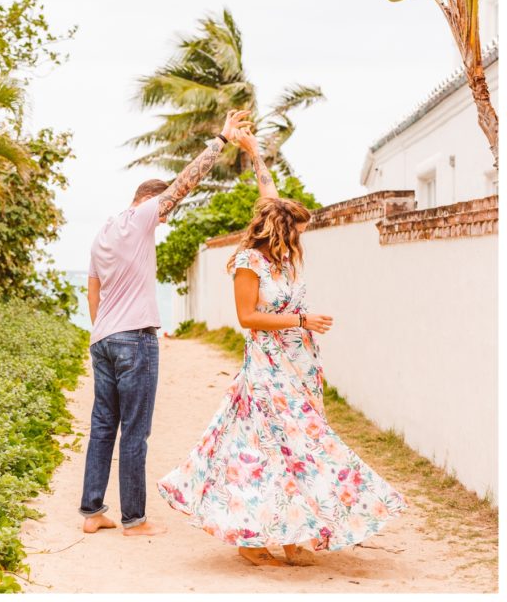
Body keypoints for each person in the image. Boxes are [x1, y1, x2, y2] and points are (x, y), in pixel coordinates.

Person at [156, 126, 408, 565]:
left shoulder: (286, 258)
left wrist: (254, 151)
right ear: (280, 231)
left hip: (301, 367)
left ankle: (294, 535)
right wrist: (301, 319)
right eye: (297, 232)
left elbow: (267, 191)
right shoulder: (249, 263)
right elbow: (248, 318)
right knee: (270, 451)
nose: (300, 240)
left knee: (300, 452)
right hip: (267, 373)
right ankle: (252, 539)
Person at [81, 109, 255, 536]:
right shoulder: (141, 218)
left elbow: (92, 291)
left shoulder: (102, 232)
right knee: (135, 433)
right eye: (163, 214)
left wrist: (102, 328)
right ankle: (135, 521)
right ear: (149, 201)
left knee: (103, 427)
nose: (162, 222)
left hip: (102, 339)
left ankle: (92, 513)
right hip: (135, 341)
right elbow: (183, 184)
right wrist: (221, 140)